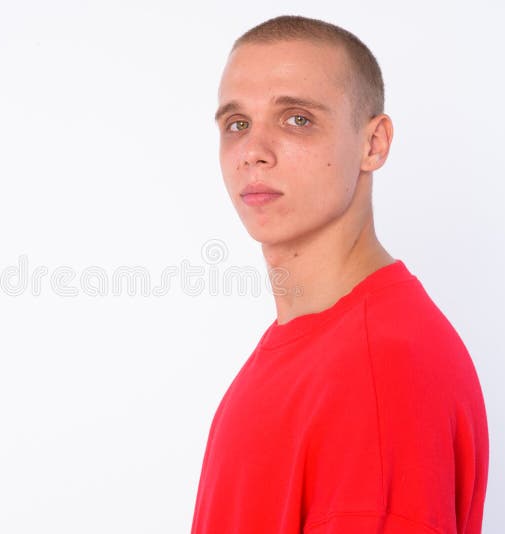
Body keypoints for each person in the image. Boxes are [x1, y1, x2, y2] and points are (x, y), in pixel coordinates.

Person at [190, 15, 489, 534]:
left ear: (373, 144)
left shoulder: (381, 373)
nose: (253, 152)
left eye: (297, 119)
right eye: (237, 124)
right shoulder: (314, 345)